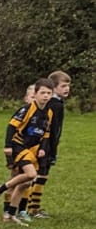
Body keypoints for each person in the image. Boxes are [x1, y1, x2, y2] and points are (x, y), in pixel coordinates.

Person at [0, 80, 54, 224]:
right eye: (43, 93)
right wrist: (8, 146)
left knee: (25, 183)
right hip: (19, 146)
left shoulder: (49, 113)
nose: (46, 96)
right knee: (31, 174)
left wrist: (42, 148)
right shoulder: (27, 109)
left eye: (49, 93)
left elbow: (46, 134)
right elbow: (11, 126)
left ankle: (11, 214)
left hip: (33, 150)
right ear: (35, 94)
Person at [23, 70, 70, 217]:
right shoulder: (55, 105)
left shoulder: (54, 103)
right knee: (40, 175)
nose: (67, 89)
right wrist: (51, 148)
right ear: (54, 88)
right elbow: (52, 128)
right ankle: (32, 208)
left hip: (42, 144)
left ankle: (29, 207)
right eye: (63, 86)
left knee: (38, 174)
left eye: (68, 85)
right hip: (45, 145)